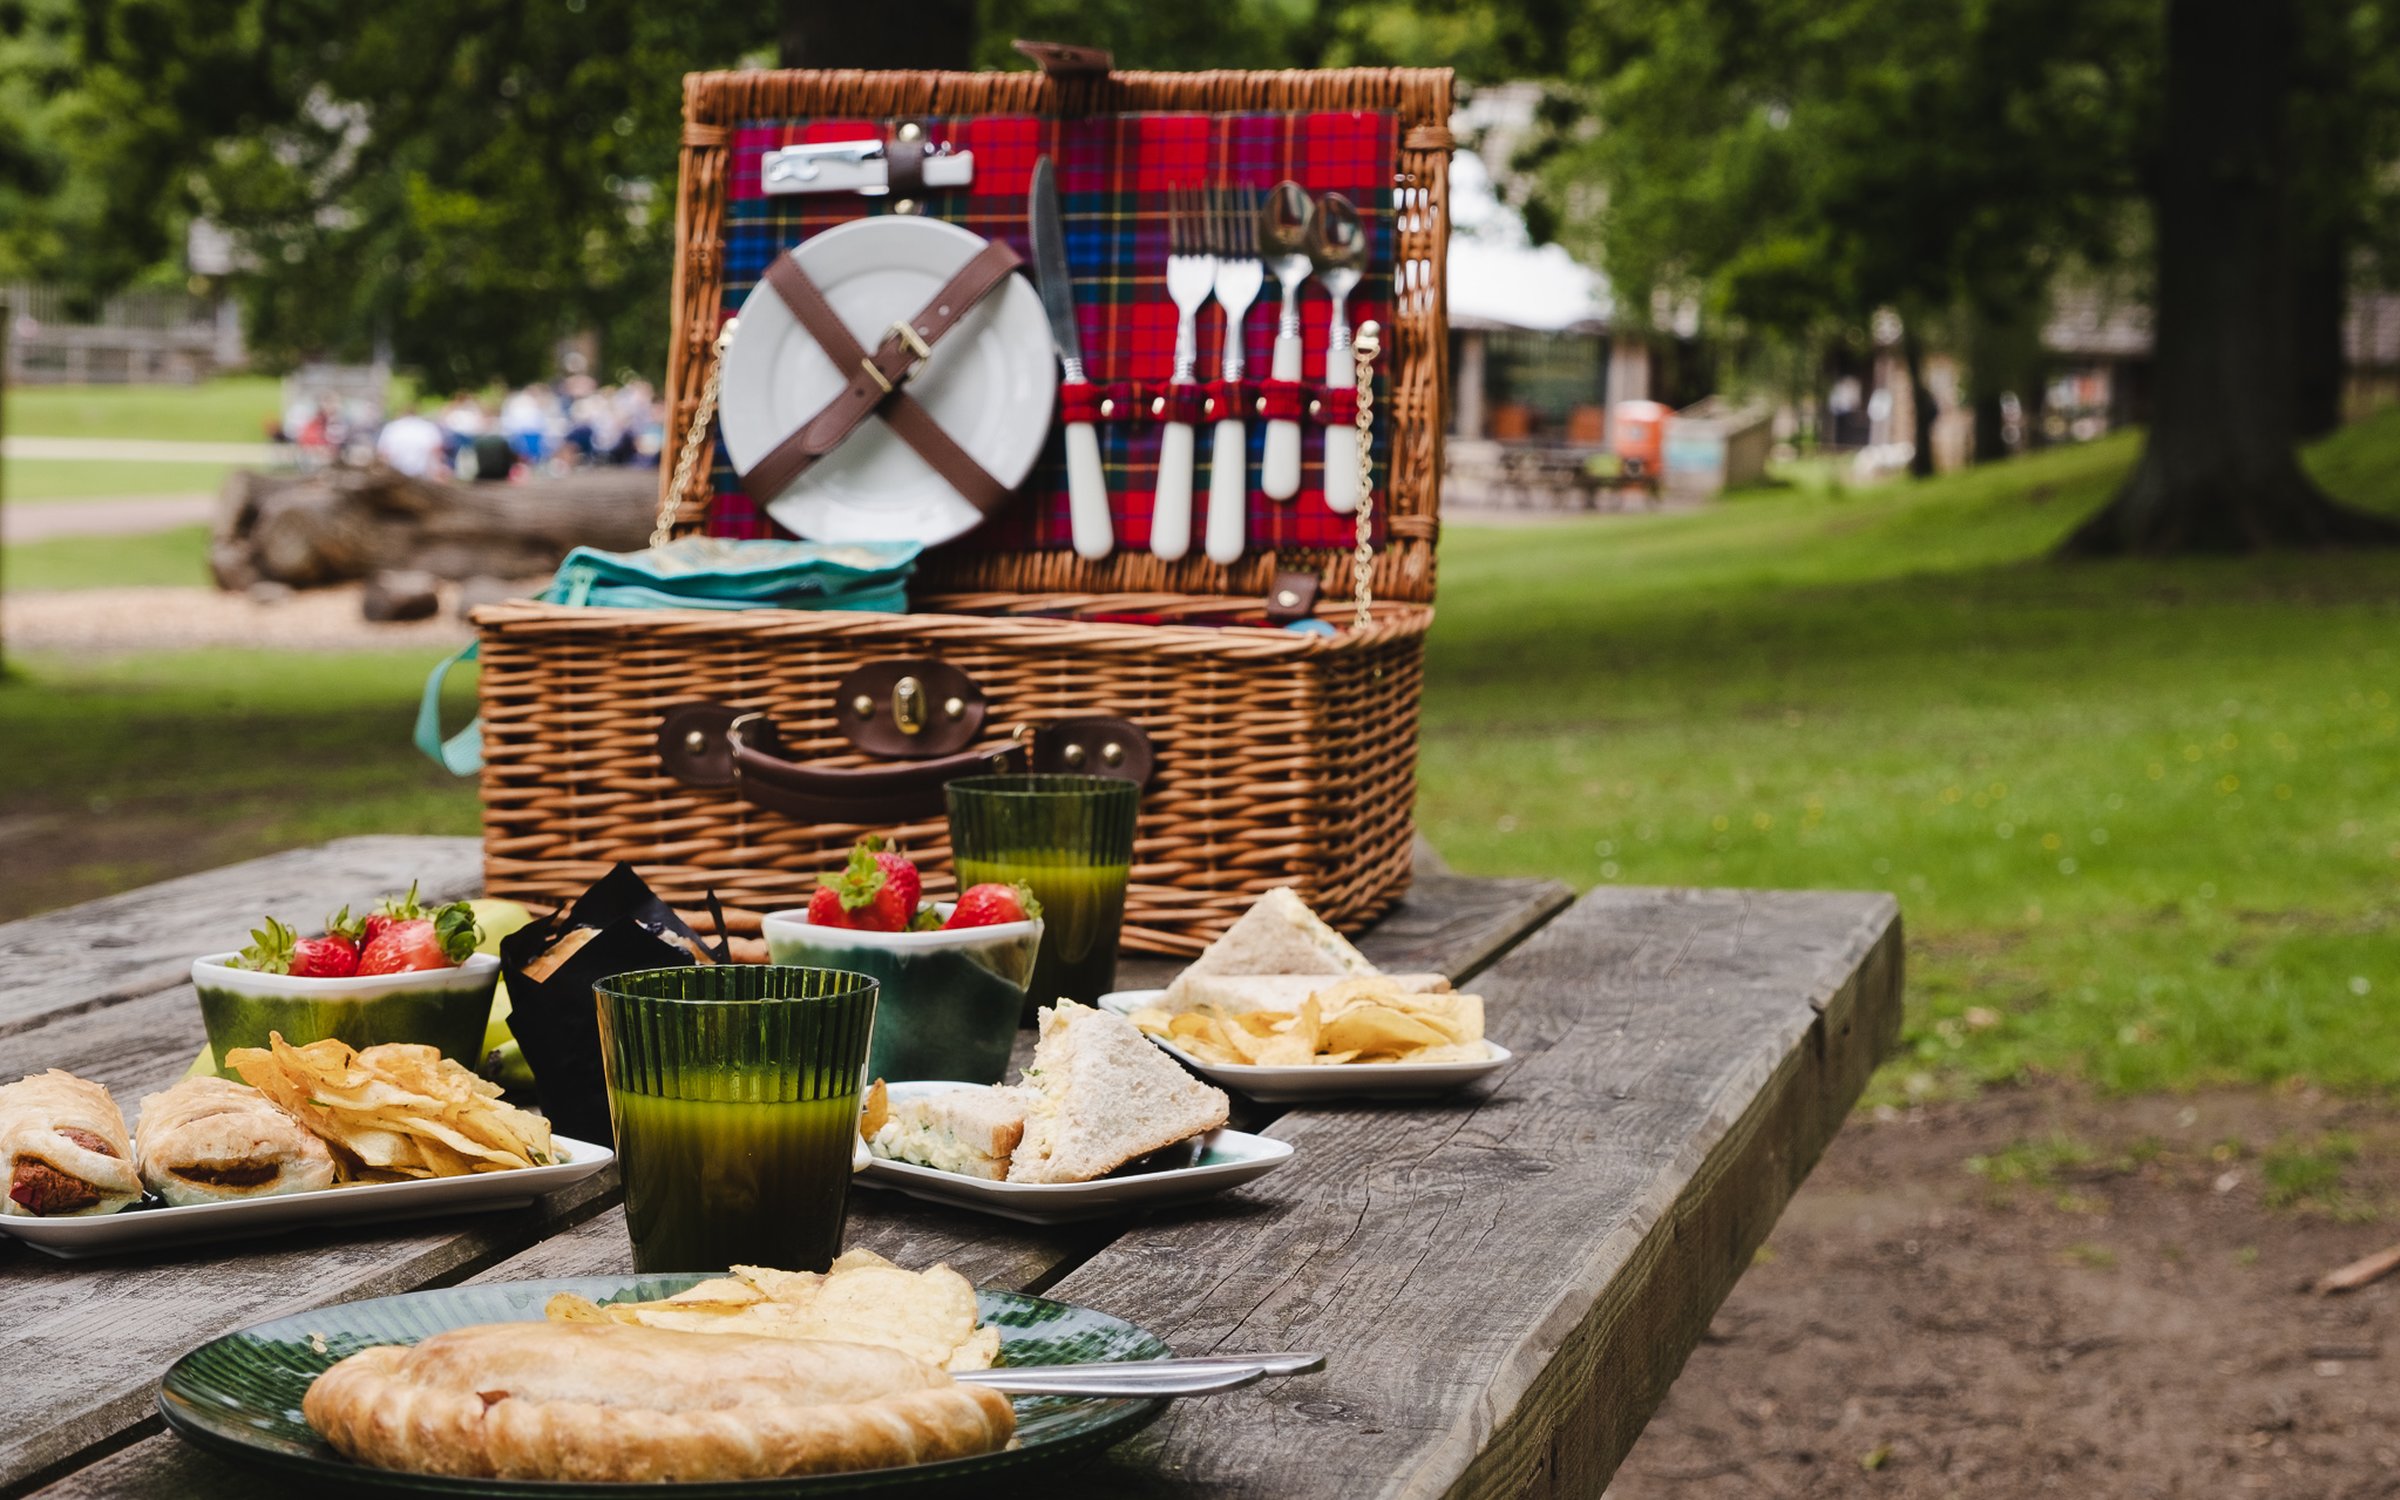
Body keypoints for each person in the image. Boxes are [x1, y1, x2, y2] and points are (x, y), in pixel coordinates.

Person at [375, 403, 448, 478]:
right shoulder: (428, 427)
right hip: (422, 475)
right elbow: (436, 451)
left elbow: (383, 453)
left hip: (396, 475)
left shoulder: (392, 427)